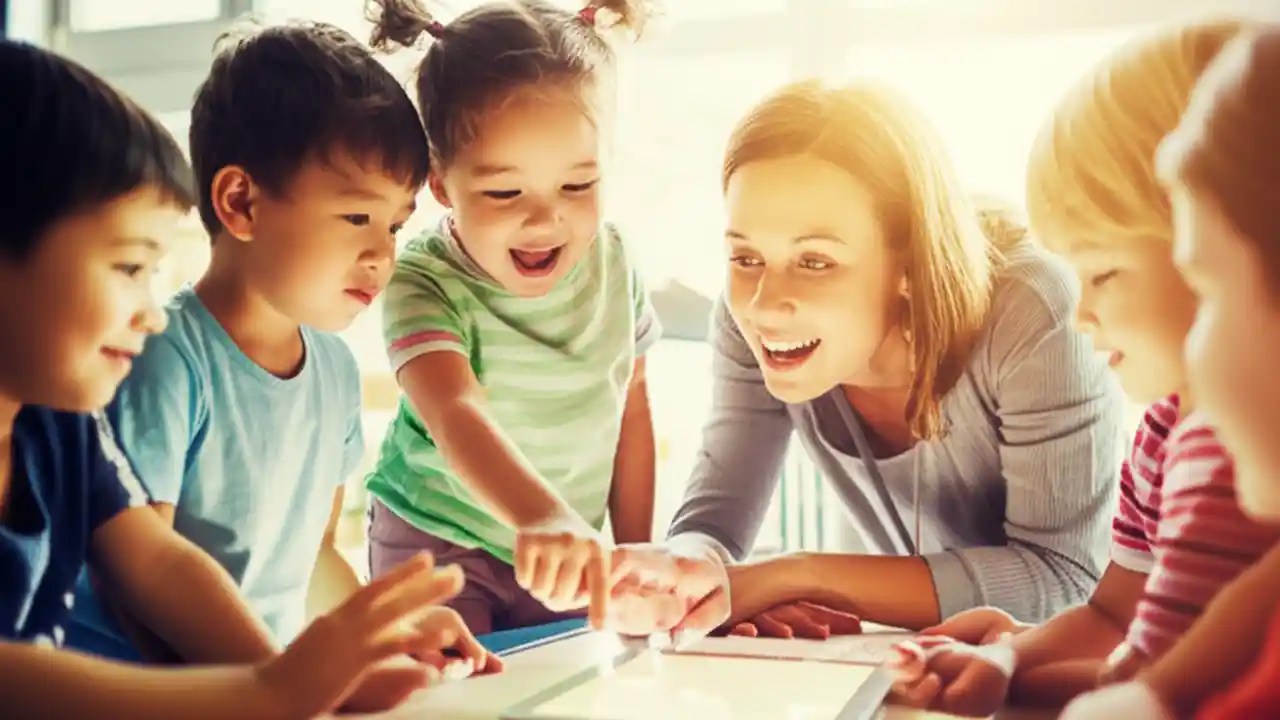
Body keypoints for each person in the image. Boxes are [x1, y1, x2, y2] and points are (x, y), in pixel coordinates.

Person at [0, 38, 470, 719]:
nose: (151, 314)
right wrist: (264, 692)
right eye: (130, 268)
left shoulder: (62, 429)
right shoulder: (168, 366)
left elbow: (158, 562)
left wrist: (349, 650)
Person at [606, 77, 1126, 640]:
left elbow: (1067, 581)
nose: (763, 306)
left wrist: (790, 577)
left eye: (815, 262)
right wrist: (691, 575)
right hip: (943, 666)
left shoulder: (1034, 312)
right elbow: (712, 524)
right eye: (746, 255)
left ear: (909, 260)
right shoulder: (748, 321)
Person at [890, 20, 1280, 717]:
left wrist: (1010, 678)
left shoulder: (1234, 450)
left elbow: (1160, 684)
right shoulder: (1163, 433)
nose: (1081, 316)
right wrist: (1006, 657)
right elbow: (1118, 625)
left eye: (1102, 272)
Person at [362, 0, 661, 634]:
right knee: (451, 689)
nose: (545, 218)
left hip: (562, 546)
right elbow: (454, 411)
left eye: (578, 185)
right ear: (442, 186)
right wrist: (538, 514)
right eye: (504, 192)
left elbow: (630, 406)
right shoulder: (423, 280)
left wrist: (636, 550)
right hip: (438, 542)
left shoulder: (614, 261)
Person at [1061, 24, 1280, 720]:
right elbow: (1144, 661)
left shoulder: (1210, 449)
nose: (1078, 316)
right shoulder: (1162, 437)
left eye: (1207, 285)